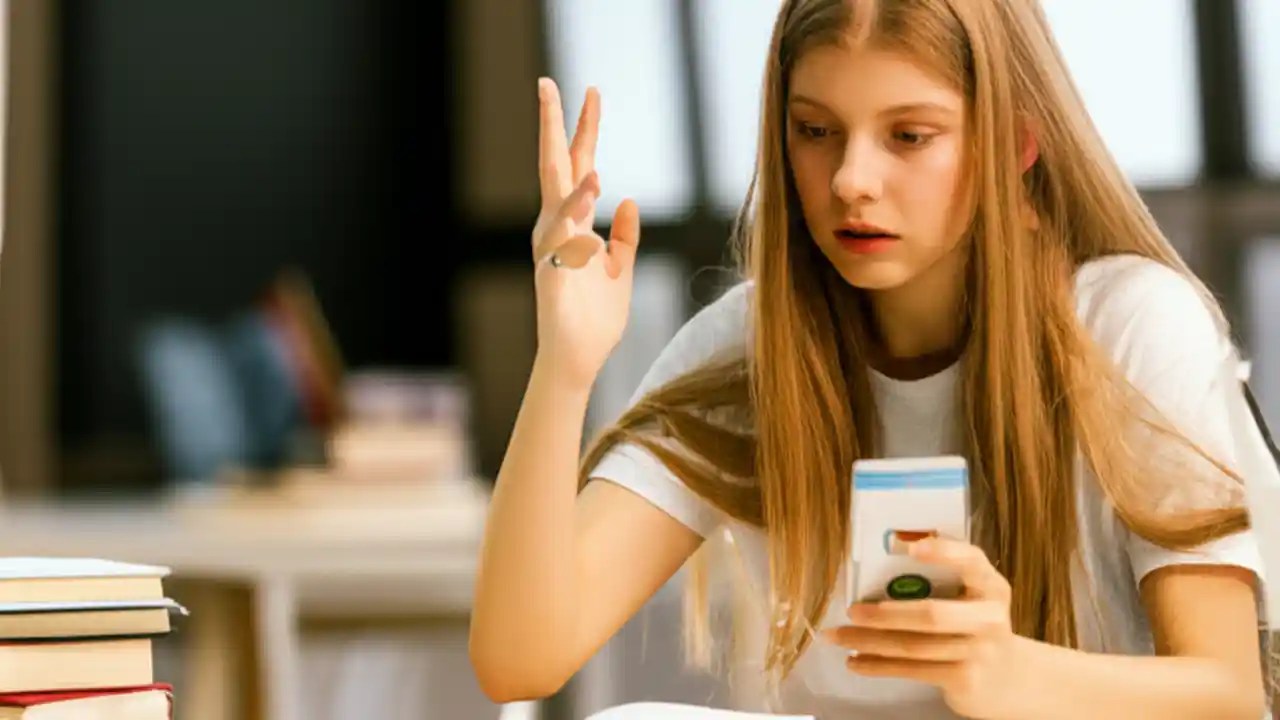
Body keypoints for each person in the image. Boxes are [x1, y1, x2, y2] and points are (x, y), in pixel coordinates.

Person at [469, 1, 1272, 717]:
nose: (851, 180)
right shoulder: (750, 346)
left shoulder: (1129, 323)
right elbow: (518, 660)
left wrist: (1009, 675)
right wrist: (564, 367)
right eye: (815, 131)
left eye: (909, 136)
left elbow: (1230, 698)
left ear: (1018, 140)